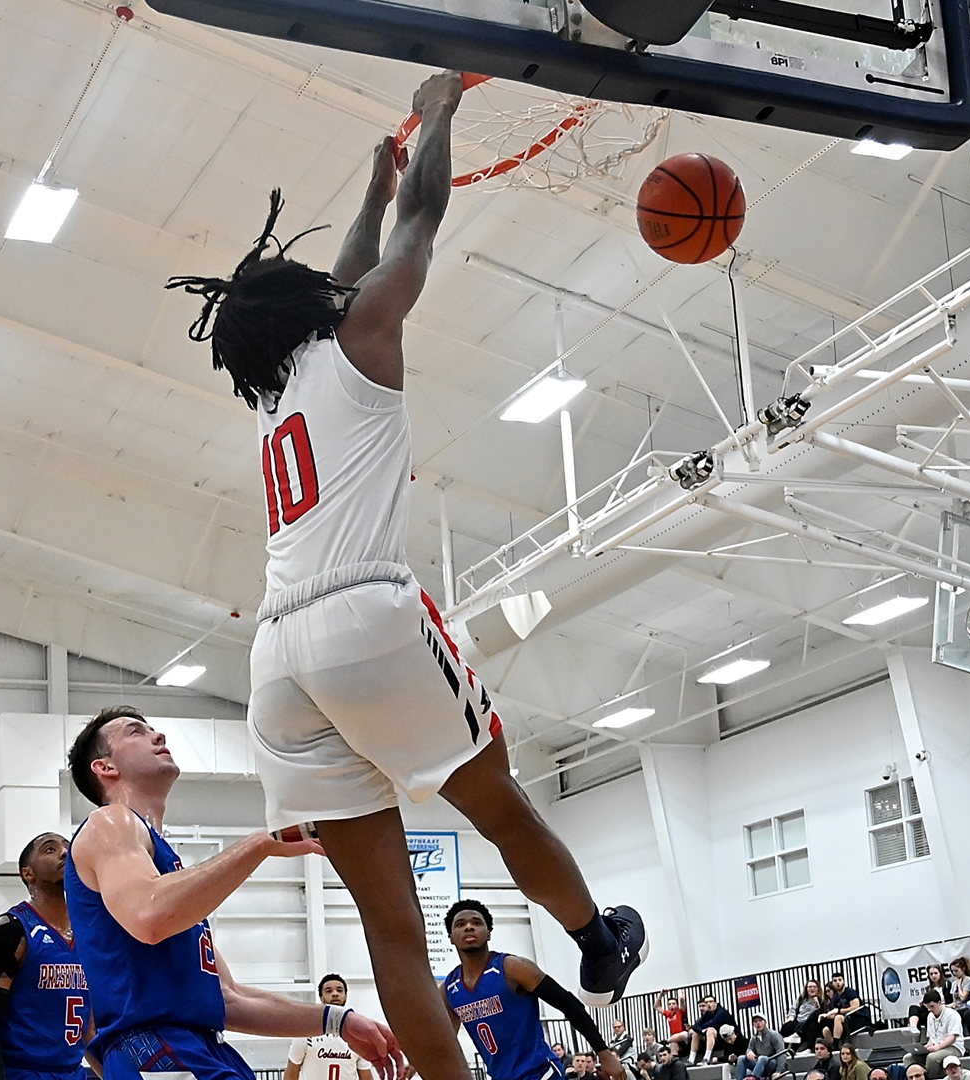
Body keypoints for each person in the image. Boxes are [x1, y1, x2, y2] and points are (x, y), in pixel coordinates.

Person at [168, 65, 645, 1080]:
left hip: (276, 659)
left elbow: (355, 259)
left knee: (392, 930)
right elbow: (423, 224)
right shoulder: (362, 334)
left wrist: (369, 186)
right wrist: (435, 121)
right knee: (498, 802)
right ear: (309, 304)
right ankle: (598, 943)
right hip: (364, 616)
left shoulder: (272, 394)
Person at [63, 706, 401, 1080]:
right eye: (136, 732)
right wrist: (261, 843)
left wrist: (337, 1020)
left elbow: (228, 998)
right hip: (156, 1047)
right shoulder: (110, 821)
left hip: (199, 1045)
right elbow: (149, 915)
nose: (159, 737)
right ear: (105, 767)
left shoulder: (166, 867)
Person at [442, 898, 621, 1080]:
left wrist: (603, 1052)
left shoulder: (512, 968)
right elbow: (443, 1042)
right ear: (451, 937)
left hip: (540, 1073)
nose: (469, 927)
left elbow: (568, 1004)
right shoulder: (449, 988)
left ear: (488, 933)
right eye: (460, 924)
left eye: (477, 923)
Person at [0, 832, 92, 1080]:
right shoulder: (10, 929)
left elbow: (91, 1028)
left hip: (71, 1073)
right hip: (17, 1072)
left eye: (68, 847)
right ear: (27, 873)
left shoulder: (90, 935)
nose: (65, 852)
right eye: (50, 849)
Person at [284, 975, 376, 1080]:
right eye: (329, 991)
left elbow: (366, 1077)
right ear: (321, 998)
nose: (335, 994)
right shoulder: (306, 1033)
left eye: (339, 990)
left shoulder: (358, 1036)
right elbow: (291, 1073)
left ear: (346, 996)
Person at [908, 991, 964, 1079]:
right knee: (909, 1057)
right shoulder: (930, 1016)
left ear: (939, 1002)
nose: (930, 1009)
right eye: (927, 1007)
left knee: (932, 1058)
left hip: (953, 1047)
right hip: (936, 1047)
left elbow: (952, 1037)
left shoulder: (952, 1014)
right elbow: (931, 1037)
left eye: (932, 1006)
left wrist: (936, 1048)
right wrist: (928, 1045)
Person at [820, 974, 874, 1048]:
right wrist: (827, 1016)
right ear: (832, 983)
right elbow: (835, 1012)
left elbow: (855, 1006)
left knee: (838, 1017)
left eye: (840, 980)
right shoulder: (835, 997)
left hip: (859, 1017)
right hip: (846, 1019)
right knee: (826, 1030)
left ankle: (835, 1044)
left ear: (844, 981)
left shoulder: (850, 992)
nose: (837, 982)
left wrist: (839, 1011)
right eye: (835, 981)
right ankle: (833, 1048)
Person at [735, 1015, 787, 1080]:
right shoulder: (754, 1038)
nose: (758, 1023)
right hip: (760, 1064)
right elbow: (749, 1049)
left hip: (773, 1063)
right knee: (741, 1058)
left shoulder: (774, 1035)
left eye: (760, 1021)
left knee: (762, 1058)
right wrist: (749, 1052)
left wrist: (778, 1071)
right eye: (755, 1021)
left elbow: (781, 1053)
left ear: (765, 1022)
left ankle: (753, 1078)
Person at [689, 997, 737, 1065]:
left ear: (715, 1003)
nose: (708, 1004)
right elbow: (695, 1026)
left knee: (710, 1030)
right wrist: (702, 1031)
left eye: (710, 1002)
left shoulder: (721, 1012)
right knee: (696, 1033)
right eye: (706, 1002)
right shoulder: (708, 1013)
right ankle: (691, 1059)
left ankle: (706, 1059)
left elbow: (711, 1024)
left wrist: (702, 1029)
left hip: (727, 1039)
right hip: (714, 1039)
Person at [784, 981, 826, 1050]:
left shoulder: (821, 1000)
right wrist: (791, 1016)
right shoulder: (801, 999)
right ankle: (782, 1048)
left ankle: (793, 1047)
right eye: (809, 987)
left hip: (811, 1021)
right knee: (786, 1026)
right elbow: (793, 1009)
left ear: (818, 988)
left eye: (814, 987)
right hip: (799, 1019)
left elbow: (821, 1012)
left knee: (806, 1026)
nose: (812, 988)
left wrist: (818, 1005)